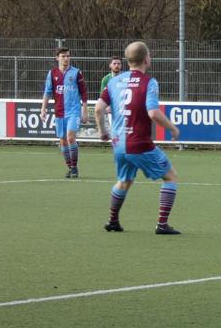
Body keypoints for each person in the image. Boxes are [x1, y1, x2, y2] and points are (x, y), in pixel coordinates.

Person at [94, 41, 182, 234]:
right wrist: (172, 128)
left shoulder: (113, 81)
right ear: (146, 59)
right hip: (140, 143)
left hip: (118, 144)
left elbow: (98, 108)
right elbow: (153, 113)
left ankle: (113, 221)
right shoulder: (149, 82)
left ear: (127, 60)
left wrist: (102, 132)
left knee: (124, 181)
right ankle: (162, 224)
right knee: (171, 177)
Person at [40, 47, 88, 178]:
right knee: (62, 141)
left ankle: (74, 168)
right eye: (63, 56)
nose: (66, 58)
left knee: (70, 137)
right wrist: (43, 109)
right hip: (59, 111)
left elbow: (83, 92)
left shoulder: (76, 73)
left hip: (73, 111)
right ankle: (71, 167)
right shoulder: (52, 73)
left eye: (68, 56)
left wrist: (84, 110)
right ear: (57, 58)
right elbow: (47, 92)